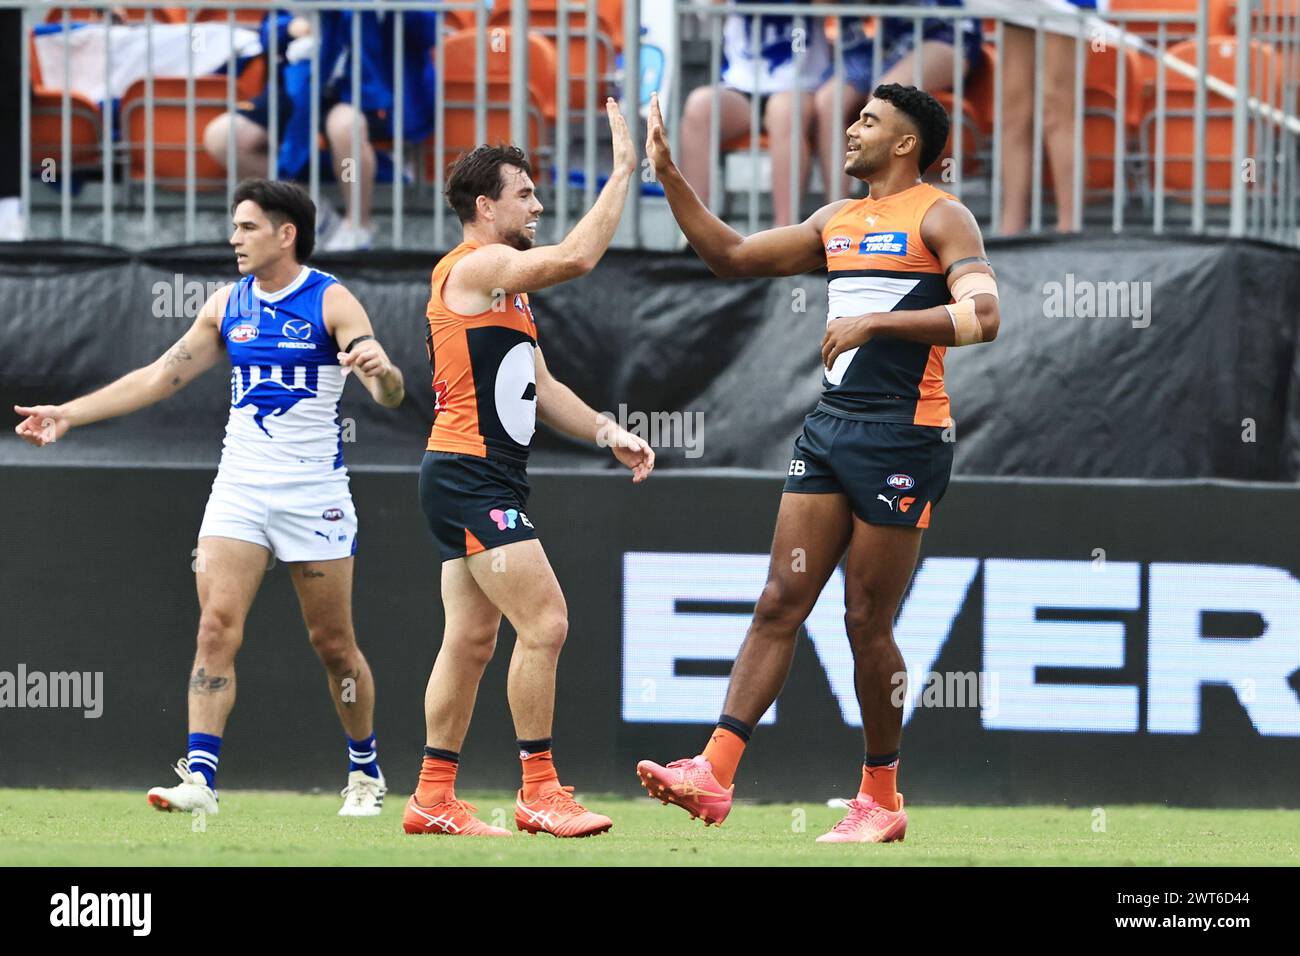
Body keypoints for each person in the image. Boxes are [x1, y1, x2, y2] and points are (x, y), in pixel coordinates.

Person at [636, 84, 1001, 843]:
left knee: (866, 620)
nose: (852, 128)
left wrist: (877, 320)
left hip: (903, 436)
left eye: (870, 121)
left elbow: (983, 317)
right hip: (831, 430)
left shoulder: (941, 214)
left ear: (906, 145)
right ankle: (714, 773)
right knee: (778, 600)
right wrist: (671, 177)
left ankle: (881, 800)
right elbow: (730, 256)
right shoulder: (836, 220)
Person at [13, 179, 405, 817]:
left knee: (333, 644)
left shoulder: (331, 300)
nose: (233, 238)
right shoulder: (227, 305)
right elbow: (159, 375)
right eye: (234, 226)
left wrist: (382, 375)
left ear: (286, 234)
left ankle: (365, 772)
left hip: (315, 493)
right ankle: (200, 779)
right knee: (215, 628)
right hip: (240, 490)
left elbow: (390, 393)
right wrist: (69, 414)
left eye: (247, 227)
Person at [402, 100, 656, 839]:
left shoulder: (501, 289)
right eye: (525, 193)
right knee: (545, 623)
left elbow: (540, 388)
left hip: (472, 475)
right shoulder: (479, 265)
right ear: (485, 207)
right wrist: (623, 172)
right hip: (469, 474)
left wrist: (607, 429)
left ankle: (431, 797)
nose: (539, 204)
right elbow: (577, 258)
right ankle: (540, 790)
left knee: (473, 640)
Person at [203, 3, 441, 250]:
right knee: (224, 137)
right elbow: (268, 30)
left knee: (345, 126)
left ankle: (357, 226)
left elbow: (428, 31)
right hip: (300, 84)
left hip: (368, 85)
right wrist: (291, 28)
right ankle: (308, 206)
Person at [678, 0, 831, 226]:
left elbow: (829, 6)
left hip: (800, 84)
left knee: (785, 112)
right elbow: (706, 6)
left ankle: (784, 232)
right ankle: (697, 229)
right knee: (699, 106)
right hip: (742, 86)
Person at [816, 0, 982, 203]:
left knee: (884, 101)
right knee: (828, 102)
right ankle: (838, 214)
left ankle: (888, 208)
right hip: (891, 38)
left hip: (947, 30)